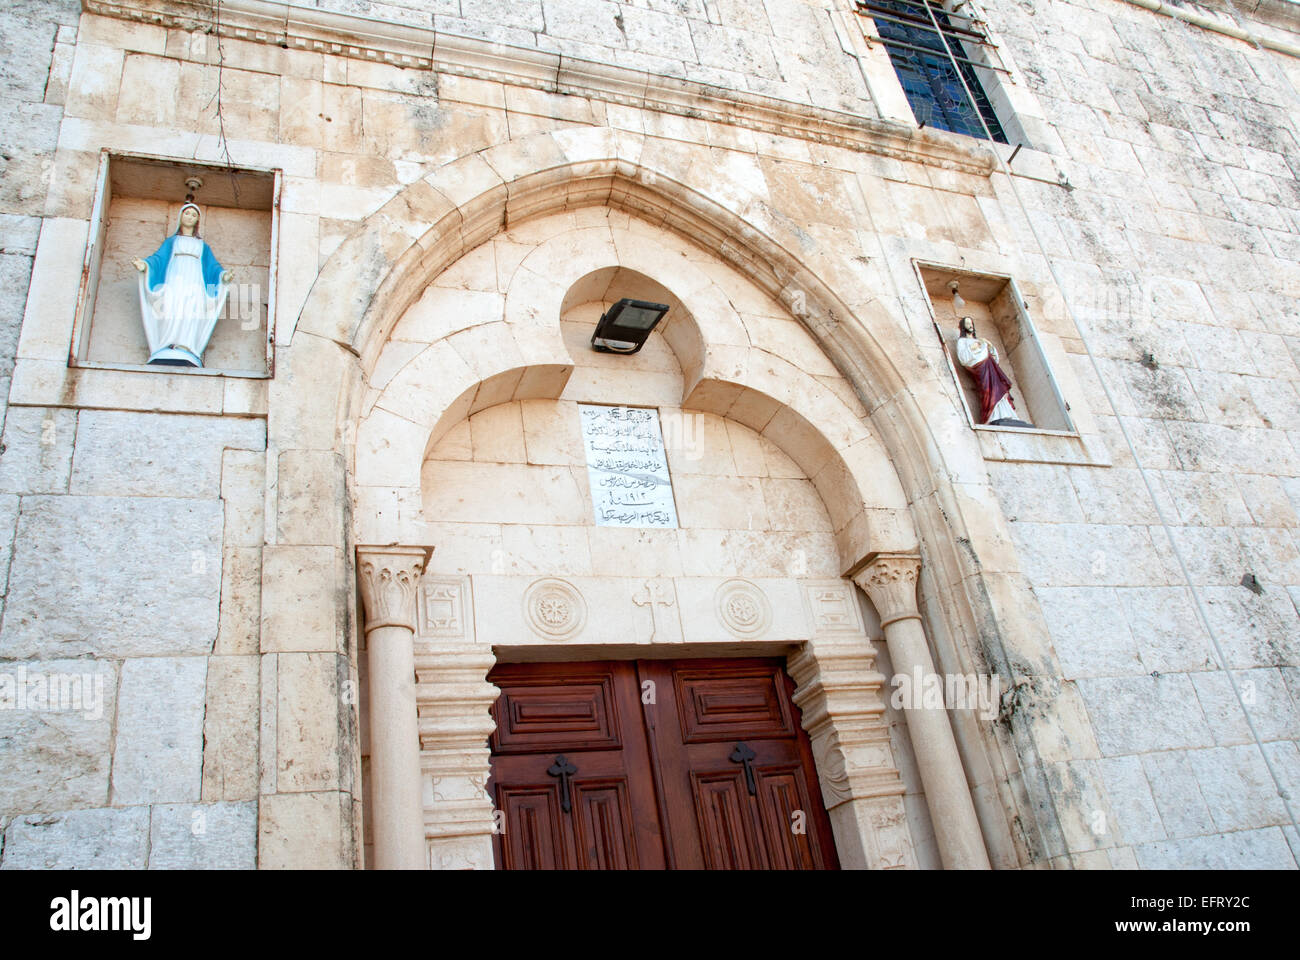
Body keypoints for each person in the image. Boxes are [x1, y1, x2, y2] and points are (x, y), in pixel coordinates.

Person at [132, 203, 232, 367]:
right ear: (180, 217)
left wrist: (223, 276)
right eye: (187, 213)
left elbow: (213, 267)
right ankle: (167, 343)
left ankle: (187, 345)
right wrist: (145, 266)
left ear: (197, 220)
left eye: (194, 215)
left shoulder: (202, 246)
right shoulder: (172, 241)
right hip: (175, 279)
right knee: (173, 307)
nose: (190, 217)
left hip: (194, 282)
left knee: (190, 311)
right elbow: (158, 259)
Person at [955, 316, 1032, 427]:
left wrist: (989, 346)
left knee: (999, 389)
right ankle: (993, 416)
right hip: (981, 369)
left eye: (971, 323)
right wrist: (975, 346)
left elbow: (994, 357)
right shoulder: (962, 342)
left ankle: (1007, 415)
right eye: (967, 323)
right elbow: (963, 358)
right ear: (963, 326)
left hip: (992, 368)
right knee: (987, 391)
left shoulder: (980, 341)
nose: (970, 325)